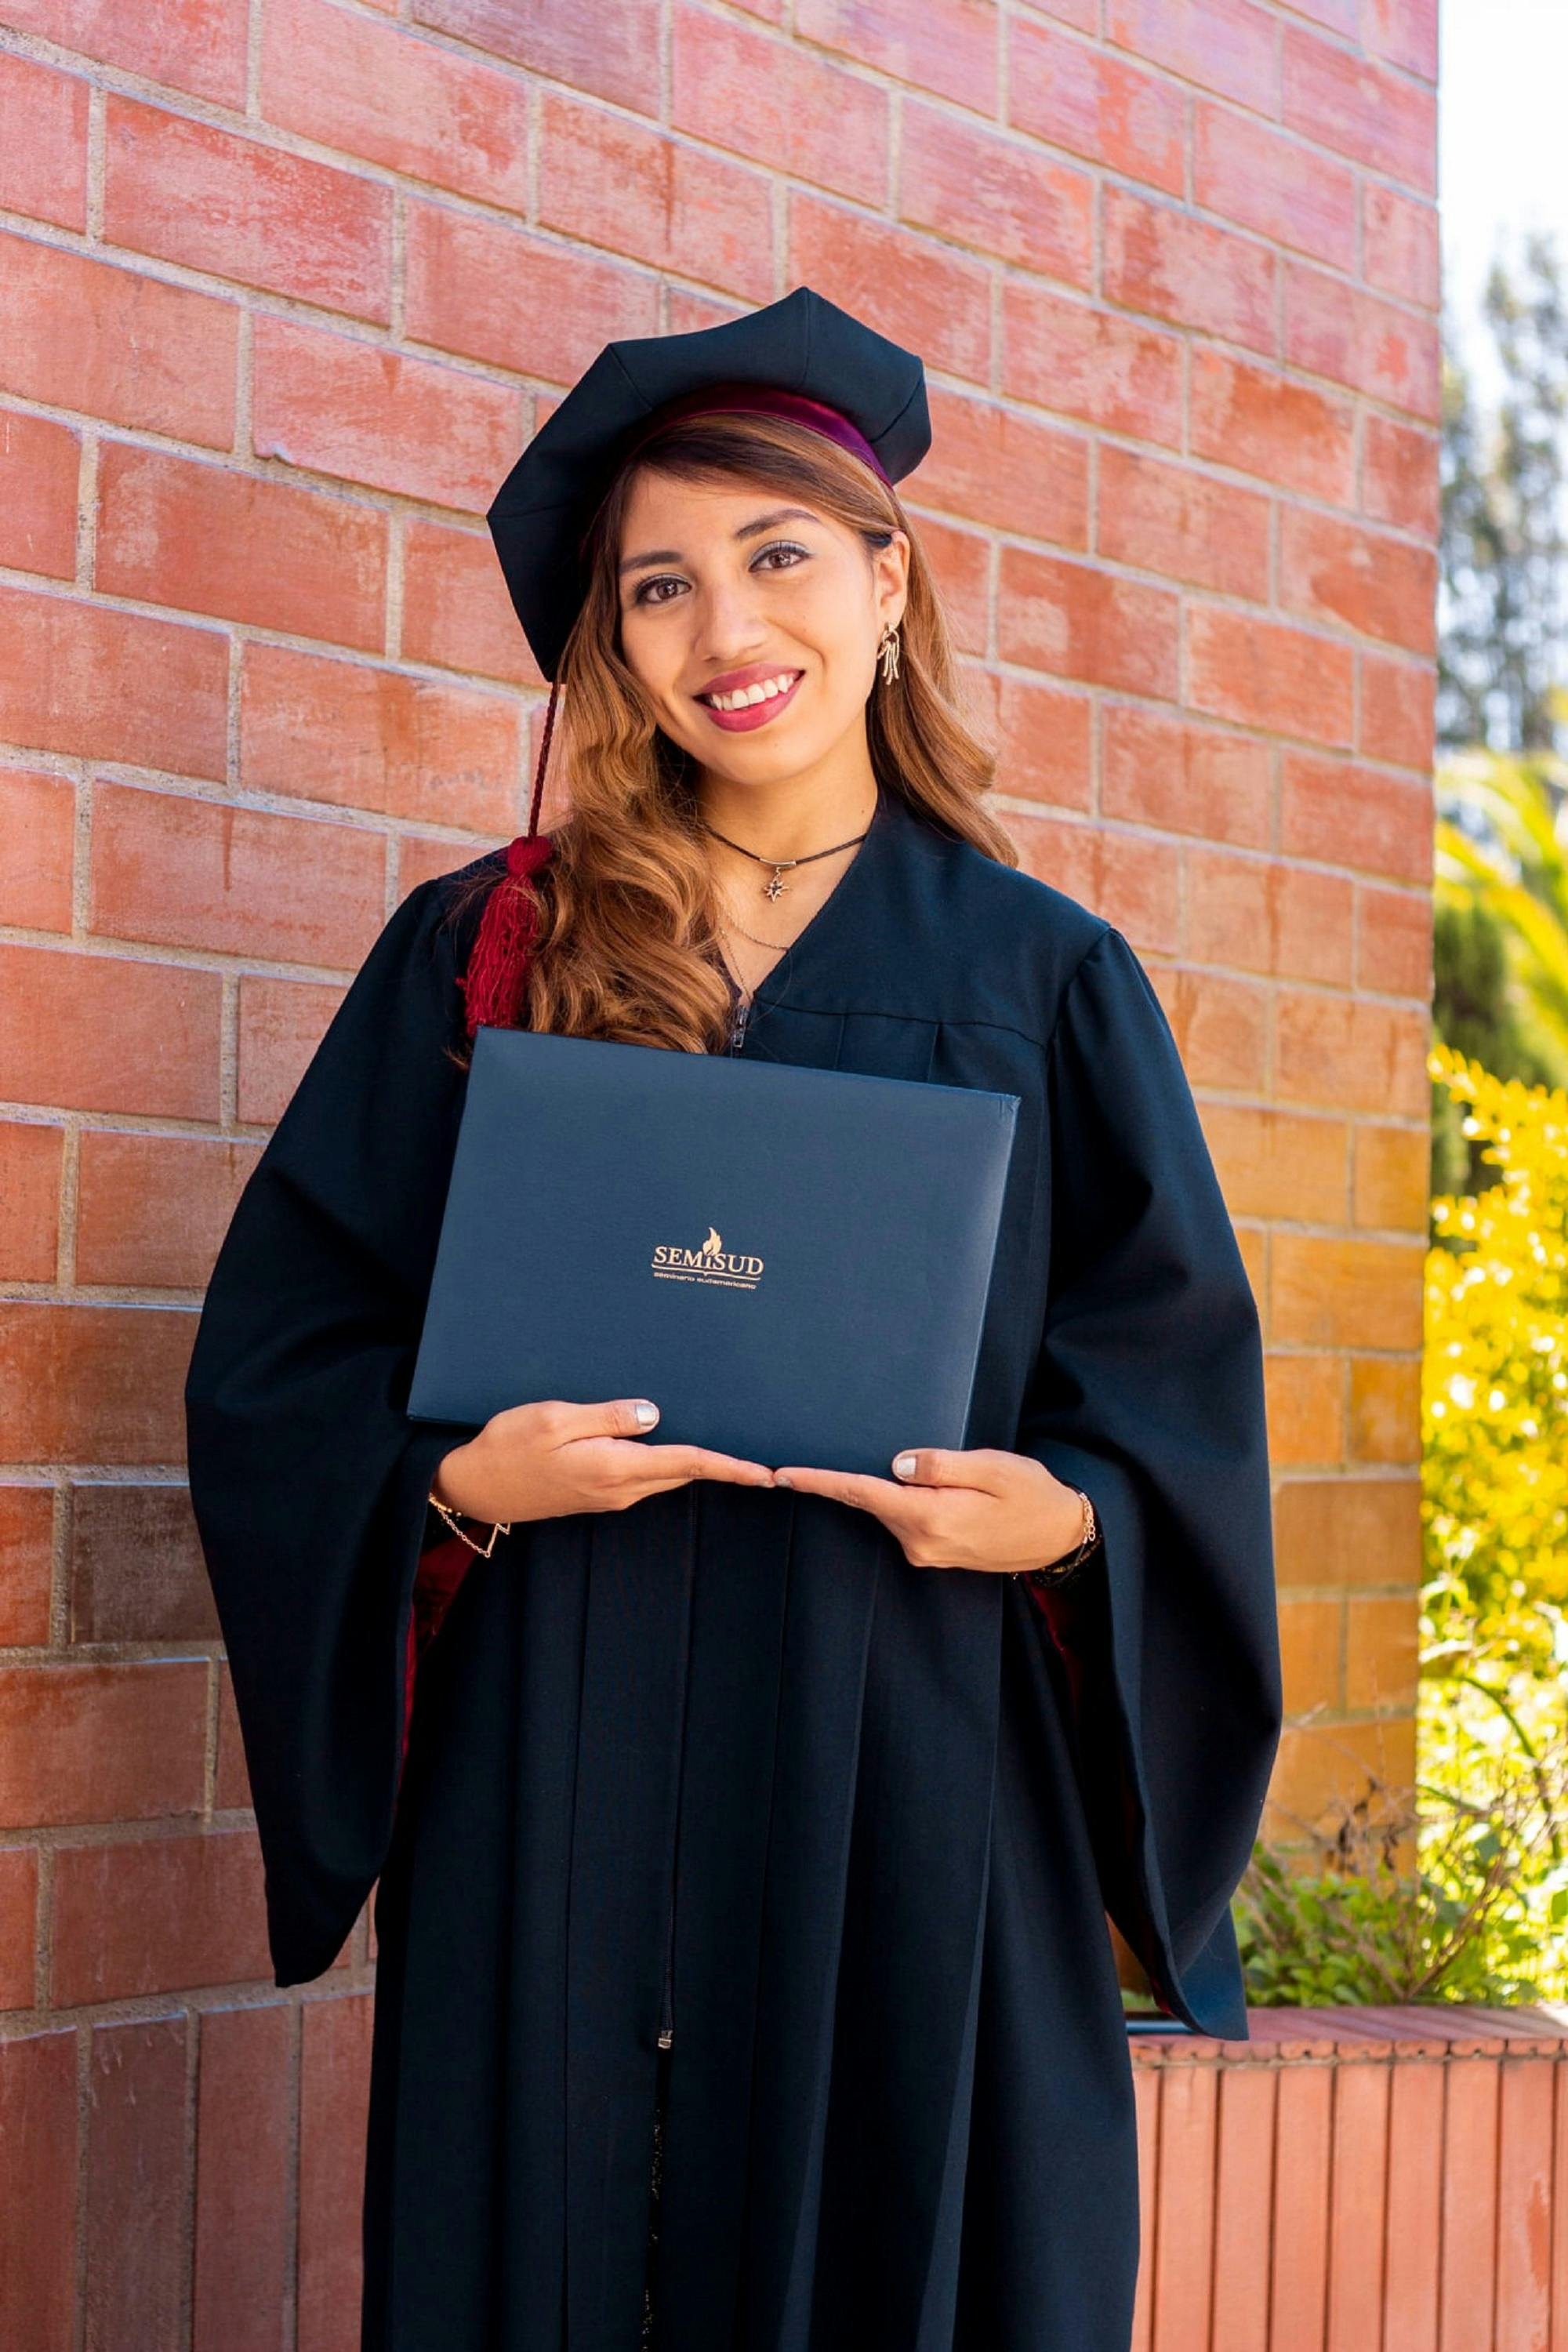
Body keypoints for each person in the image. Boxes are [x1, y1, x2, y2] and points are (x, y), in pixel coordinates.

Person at [184, 285, 1283, 2352]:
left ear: (889, 585)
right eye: (659, 586)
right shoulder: (489, 947)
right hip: (554, 1753)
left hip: (912, 1762)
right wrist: (458, 1486)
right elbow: (280, 1359)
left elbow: (1175, 1405)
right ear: (611, 642)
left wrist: (1062, 1522)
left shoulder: (1041, 978)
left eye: (778, 557)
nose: (725, 630)